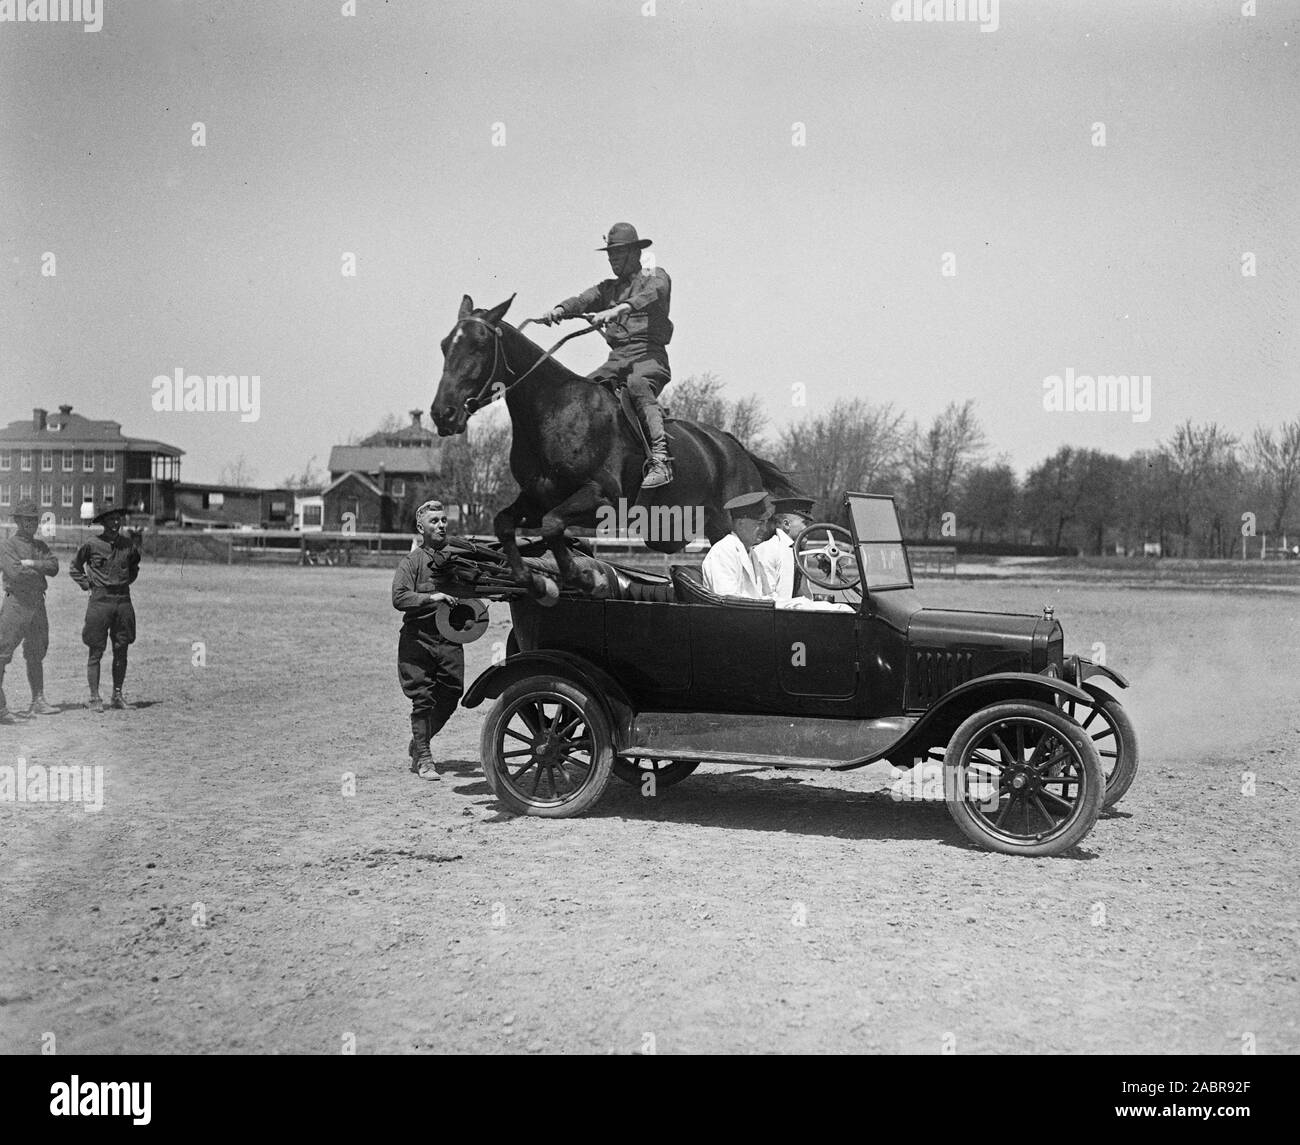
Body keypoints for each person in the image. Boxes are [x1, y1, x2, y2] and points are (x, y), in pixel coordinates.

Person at [539, 222, 675, 488]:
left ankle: (661, 459)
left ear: (635, 254)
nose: (612, 260)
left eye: (618, 254)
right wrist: (559, 309)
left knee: (637, 385)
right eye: (610, 255)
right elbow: (583, 299)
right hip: (616, 362)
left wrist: (618, 309)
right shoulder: (607, 288)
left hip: (649, 358)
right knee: (579, 393)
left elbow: (653, 293)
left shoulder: (655, 276)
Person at [391, 499, 472, 778]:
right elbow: (399, 597)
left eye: (443, 520)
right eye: (434, 521)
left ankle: (419, 742)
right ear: (420, 527)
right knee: (422, 699)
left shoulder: (457, 559)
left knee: (451, 694)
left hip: (449, 638)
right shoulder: (411, 562)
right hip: (418, 639)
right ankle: (424, 758)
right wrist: (431, 597)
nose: (440, 525)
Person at [70, 505, 141, 712]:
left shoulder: (128, 545)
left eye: (118, 519)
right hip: (100, 602)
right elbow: (75, 567)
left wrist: (124, 583)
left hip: (123, 600)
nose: (116, 523)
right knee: (96, 649)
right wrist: (87, 584)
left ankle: (117, 695)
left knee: (122, 648)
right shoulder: (92, 544)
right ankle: (94, 698)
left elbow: (134, 567)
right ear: (103, 522)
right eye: (111, 519)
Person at [0, 499, 60, 722]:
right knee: (2, 653)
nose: (31, 524)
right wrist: (35, 571)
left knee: (36, 652)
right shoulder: (8, 545)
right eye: (26, 520)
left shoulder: (40, 547)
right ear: (17, 521)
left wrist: (32, 564)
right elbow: (16, 574)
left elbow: (54, 567)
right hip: (16, 603)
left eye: (34, 520)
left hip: (37, 605)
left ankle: (38, 700)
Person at [701, 491, 769, 599]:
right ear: (740, 524)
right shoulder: (723, 551)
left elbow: (765, 594)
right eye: (759, 524)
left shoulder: (751, 553)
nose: (764, 529)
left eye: (765, 523)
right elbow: (728, 599)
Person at [753, 495, 817, 601]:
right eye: (805, 523)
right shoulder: (768, 550)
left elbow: (803, 593)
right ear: (786, 524)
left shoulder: (798, 551)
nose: (808, 529)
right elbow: (766, 596)